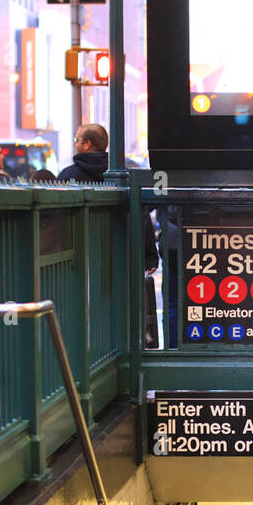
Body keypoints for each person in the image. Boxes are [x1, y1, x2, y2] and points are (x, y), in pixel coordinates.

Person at [59, 123, 161, 343]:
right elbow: (141, 216)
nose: (75, 143)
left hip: (81, 257)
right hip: (121, 254)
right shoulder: (125, 174)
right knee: (119, 305)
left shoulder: (68, 176)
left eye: (77, 139)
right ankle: (118, 348)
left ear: (87, 144)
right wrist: (150, 254)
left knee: (85, 308)